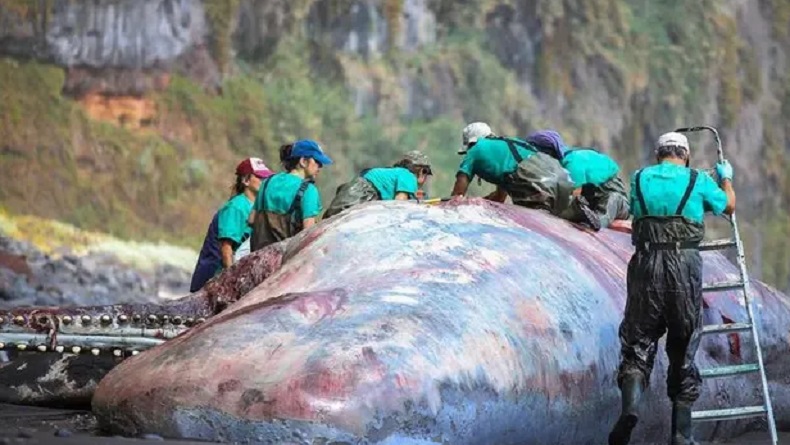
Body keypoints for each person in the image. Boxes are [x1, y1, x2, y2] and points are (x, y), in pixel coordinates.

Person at [608, 132, 736, 445]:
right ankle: (681, 435)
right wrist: (725, 178)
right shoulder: (697, 180)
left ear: (658, 155)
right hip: (684, 267)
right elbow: (729, 206)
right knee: (683, 346)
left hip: (646, 264)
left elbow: (635, 214)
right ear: (686, 155)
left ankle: (631, 408)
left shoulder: (639, 179)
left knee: (637, 342)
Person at [450, 122, 576, 217]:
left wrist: (453, 204)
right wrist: (479, 202)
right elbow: (499, 198)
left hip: (538, 182)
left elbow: (458, 191)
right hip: (563, 178)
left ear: (472, 142)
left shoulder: (476, 148)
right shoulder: (508, 147)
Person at [189, 157, 274, 292]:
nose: (264, 181)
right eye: (260, 177)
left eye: (266, 178)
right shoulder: (236, 207)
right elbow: (226, 249)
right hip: (213, 280)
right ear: (246, 180)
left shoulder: (256, 207)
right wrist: (232, 283)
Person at [525, 130, 630, 230]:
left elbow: (574, 193)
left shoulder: (573, 162)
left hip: (617, 204)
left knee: (611, 200)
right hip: (590, 203)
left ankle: (597, 222)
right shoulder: (562, 166)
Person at [249, 139, 332, 252]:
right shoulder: (308, 190)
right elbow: (309, 236)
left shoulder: (268, 182)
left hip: (257, 257)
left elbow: (251, 220)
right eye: (317, 162)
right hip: (284, 262)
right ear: (303, 161)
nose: (320, 166)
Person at [323, 150, 433, 219]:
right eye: (426, 173)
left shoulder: (394, 173)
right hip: (361, 194)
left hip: (354, 189)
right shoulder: (408, 176)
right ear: (422, 171)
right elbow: (400, 205)